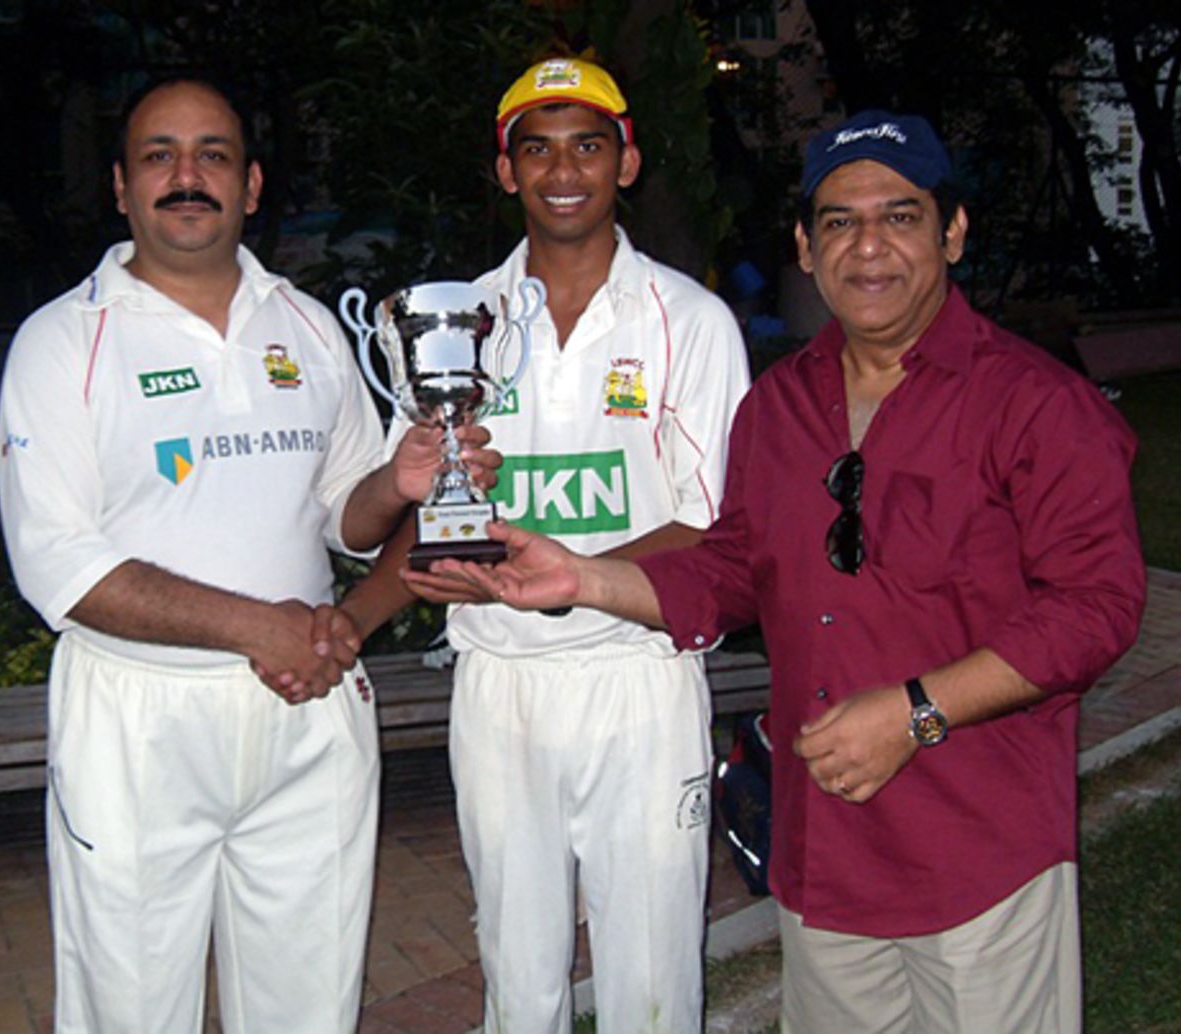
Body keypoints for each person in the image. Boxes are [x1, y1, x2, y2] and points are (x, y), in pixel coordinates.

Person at [433, 110, 1146, 1033]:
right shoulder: (780, 406)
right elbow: (732, 570)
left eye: (901, 216)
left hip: (981, 850)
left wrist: (918, 708)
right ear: (807, 248)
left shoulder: (1037, 405)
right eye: (841, 223)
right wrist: (583, 578)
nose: (870, 248)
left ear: (953, 232)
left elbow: (1097, 607)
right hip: (827, 854)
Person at [0, 75, 497, 1034]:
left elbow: (345, 520)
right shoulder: (63, 342)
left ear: (253, 184)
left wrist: (402, 479)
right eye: (160, 156)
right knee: (130, 1008)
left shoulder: (306, 328)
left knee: (309, 1003)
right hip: (140, 719)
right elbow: (60, 565)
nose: (188, 177)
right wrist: (257, 627)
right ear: (122, 187)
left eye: (213, 155)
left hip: (308, 709)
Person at [342, 56, 750, 1034]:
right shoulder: (458, 319)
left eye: (586, 145)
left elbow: (713, 518)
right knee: (516, 975)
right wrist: (359, 612)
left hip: (636, 675)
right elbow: (411, 515)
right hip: (499, 680)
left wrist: (571, 579)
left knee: (650, 979)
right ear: (505, 170)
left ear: (627, 161)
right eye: (537, 148)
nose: (561, 169)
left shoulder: (685, 319)